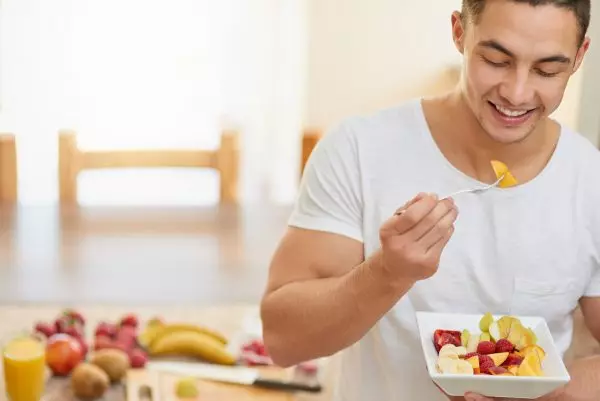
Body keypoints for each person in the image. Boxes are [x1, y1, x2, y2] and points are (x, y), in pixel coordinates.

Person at [260, 0, 600, 400]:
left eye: (547, 70)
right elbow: (283, 341)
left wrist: (556, 396)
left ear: (579, 57)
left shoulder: (589, 181)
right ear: (459, 33)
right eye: (495, 59)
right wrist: (388, 273)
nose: (517, 92)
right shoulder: (358, 150)